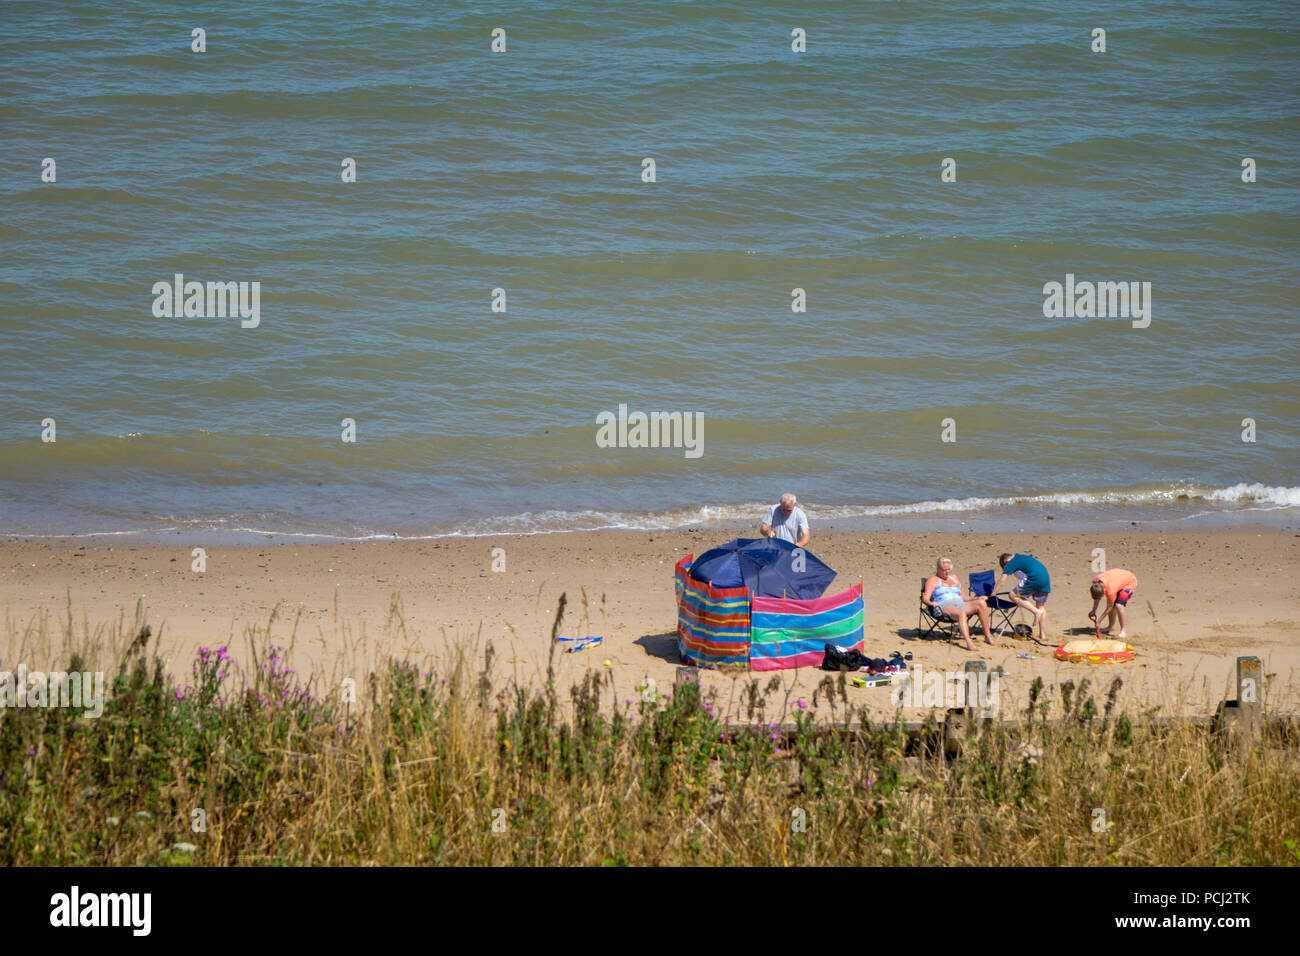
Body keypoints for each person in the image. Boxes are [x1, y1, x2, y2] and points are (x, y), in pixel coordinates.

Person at [923, 556, 995, 652]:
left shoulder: (954, 578)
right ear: (938, 569)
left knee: (981, 603)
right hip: (944, 605)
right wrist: (931, 603)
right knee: (961, 613)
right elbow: (925, 598)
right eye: (944, 570)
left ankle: (987, 635)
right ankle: (968, 642)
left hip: (960, 602)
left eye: (949, 569)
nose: (947, 572)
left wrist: (976, 598)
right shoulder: (933, 580)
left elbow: (964, 596)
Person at [991, 552, 1051, 640]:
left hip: (1034, 578)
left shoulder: (1011, 562)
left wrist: (993, 594)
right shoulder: (1021, 558)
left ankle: (1035, 612)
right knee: (1040, 606)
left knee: (1012, 595)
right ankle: (1042, 635)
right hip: (1045, 578)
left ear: (1005, 562)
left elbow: (1002, 580)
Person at [1090, 568, 1138, 639]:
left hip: (1129, 582)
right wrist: (1094, 610)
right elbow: (1097, 597)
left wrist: (1099, 621)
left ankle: (1123, 631)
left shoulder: (1110, 590)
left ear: (1104, 592)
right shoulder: (1096, 582)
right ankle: (1110, 627)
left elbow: (1109, 607)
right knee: (1112, 604)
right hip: (1118, 579)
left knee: (1118, 605)